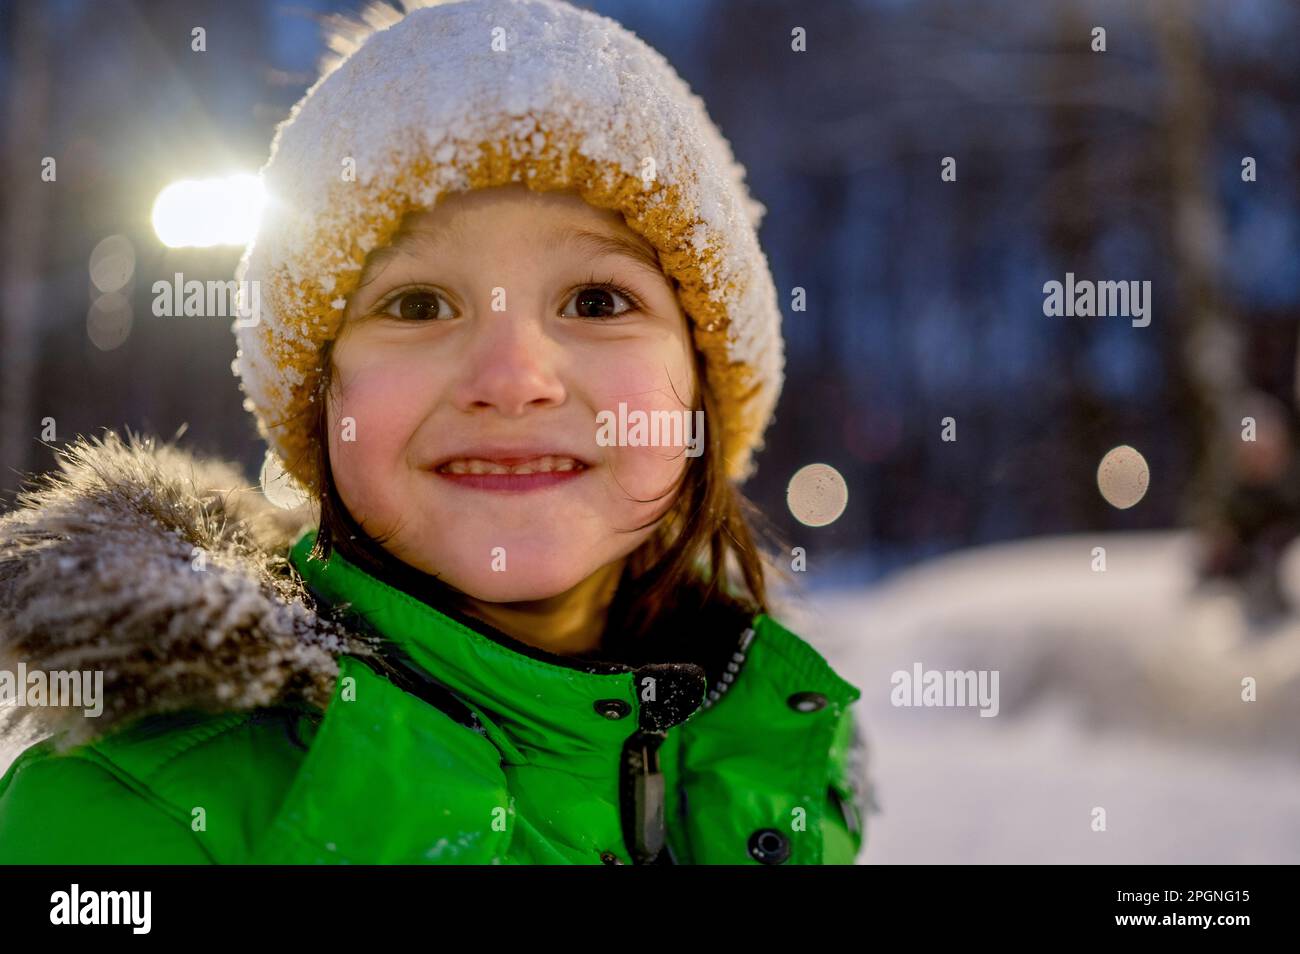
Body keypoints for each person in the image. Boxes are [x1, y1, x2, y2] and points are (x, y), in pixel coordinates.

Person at [0, 0, 872, 864]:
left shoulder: (775, 762)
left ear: (703, 395)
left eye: (598, 301)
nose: (512, 380)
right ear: (320, 400)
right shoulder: (128, 811)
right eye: (417, 304)